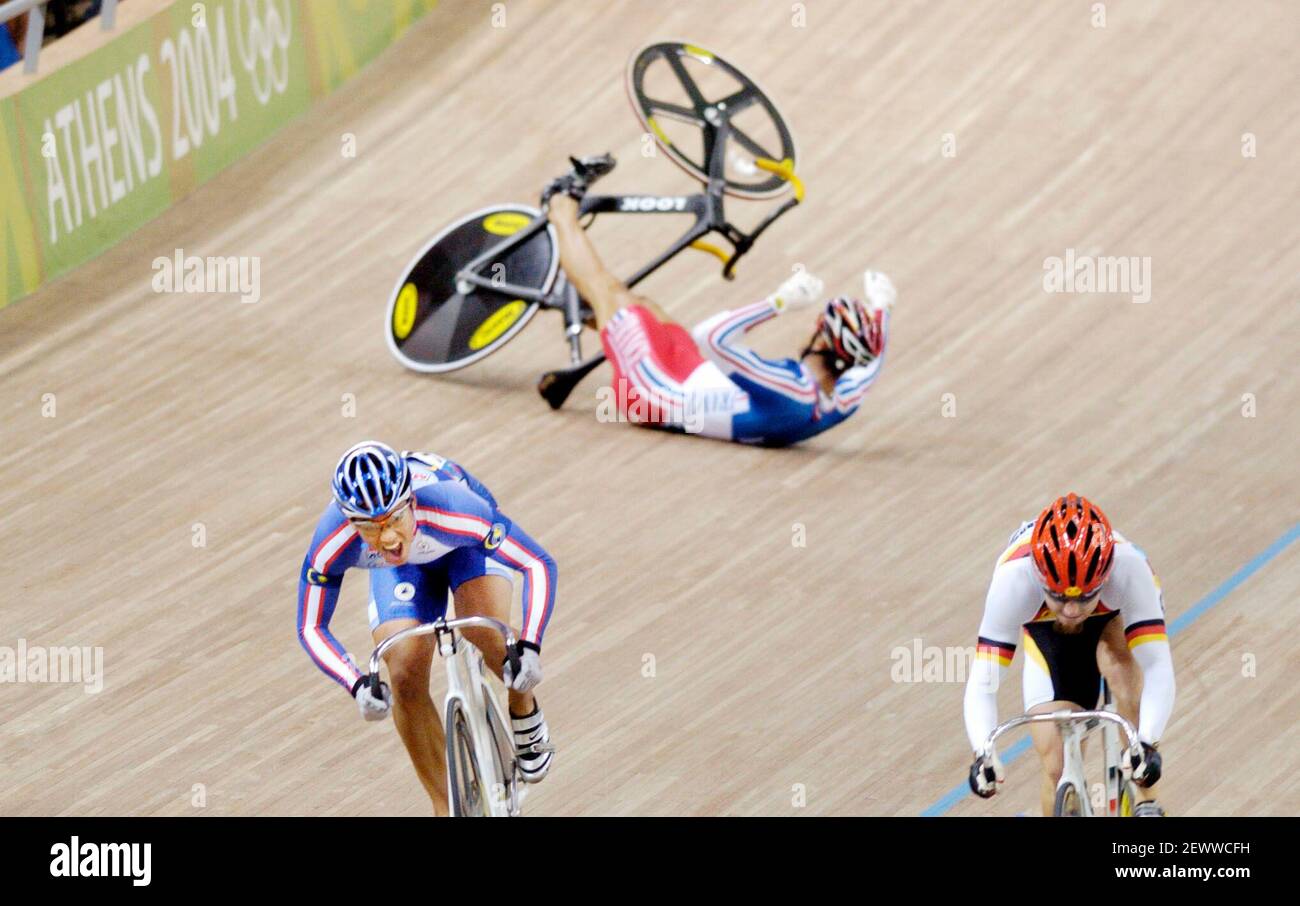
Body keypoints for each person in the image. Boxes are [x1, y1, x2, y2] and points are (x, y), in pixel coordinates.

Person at [297, 441, 557, 814]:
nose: (386, 536)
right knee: (402, 670)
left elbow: (537, 564)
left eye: (394, 519)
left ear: (411, 503)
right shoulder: (331, 541)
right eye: (371, 527)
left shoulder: (454, 508)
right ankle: (445, 805)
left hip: (461, 543)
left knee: (483, 628)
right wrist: (355, 684)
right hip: (404, 570)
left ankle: (523, 702)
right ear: (349, 521)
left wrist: (529, 645)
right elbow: (310, 625)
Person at [544, 189, 894, 446]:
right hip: (690, 377)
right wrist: (882, 308)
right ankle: (568, 300)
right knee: (643, 306)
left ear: (821, 339)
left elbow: (710, 338)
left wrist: (778, 302)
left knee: (607, 287)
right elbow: (870, 365)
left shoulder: (793, 391)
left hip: (656, 392)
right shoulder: (843, 398)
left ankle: (558, 204)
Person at [963, 494, 1174, 816]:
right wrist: (983, 751)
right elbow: (983, 681)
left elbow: (1157, 665)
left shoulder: (1130, 573)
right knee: (1055, 764)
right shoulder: (1013, 582)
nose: (1072, 609)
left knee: (1120, 667)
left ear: (1105, 576)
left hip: (1112, 616)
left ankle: (1145, 797)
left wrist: (1147, 740)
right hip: (1045, 628)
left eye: (1083, 598)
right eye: (1059, 598)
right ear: (1039, 577)